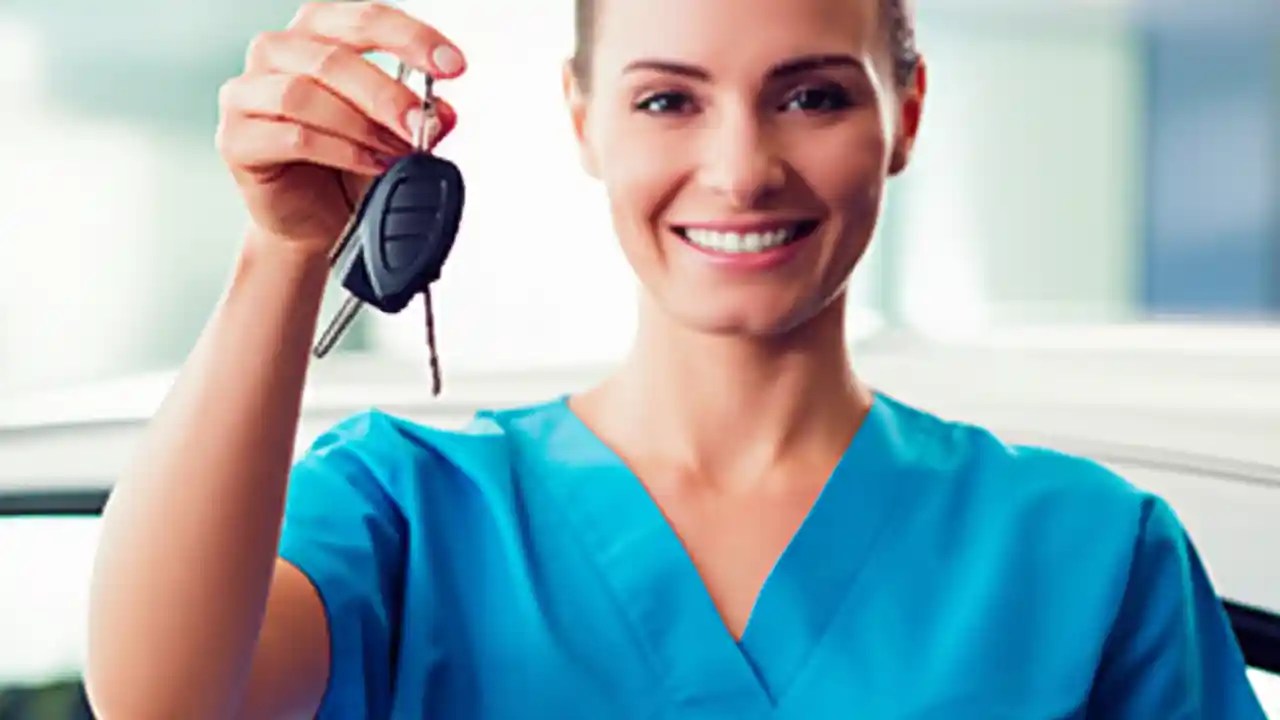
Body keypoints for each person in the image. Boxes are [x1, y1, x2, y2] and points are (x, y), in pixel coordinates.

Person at [84, 0, 1268, 717]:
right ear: (580, 115)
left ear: (905, 112)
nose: (741, 167)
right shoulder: (408, 513)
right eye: (666, 102)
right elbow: (166, 700)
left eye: (810, 95)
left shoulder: (1088, 553)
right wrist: (282, 252)